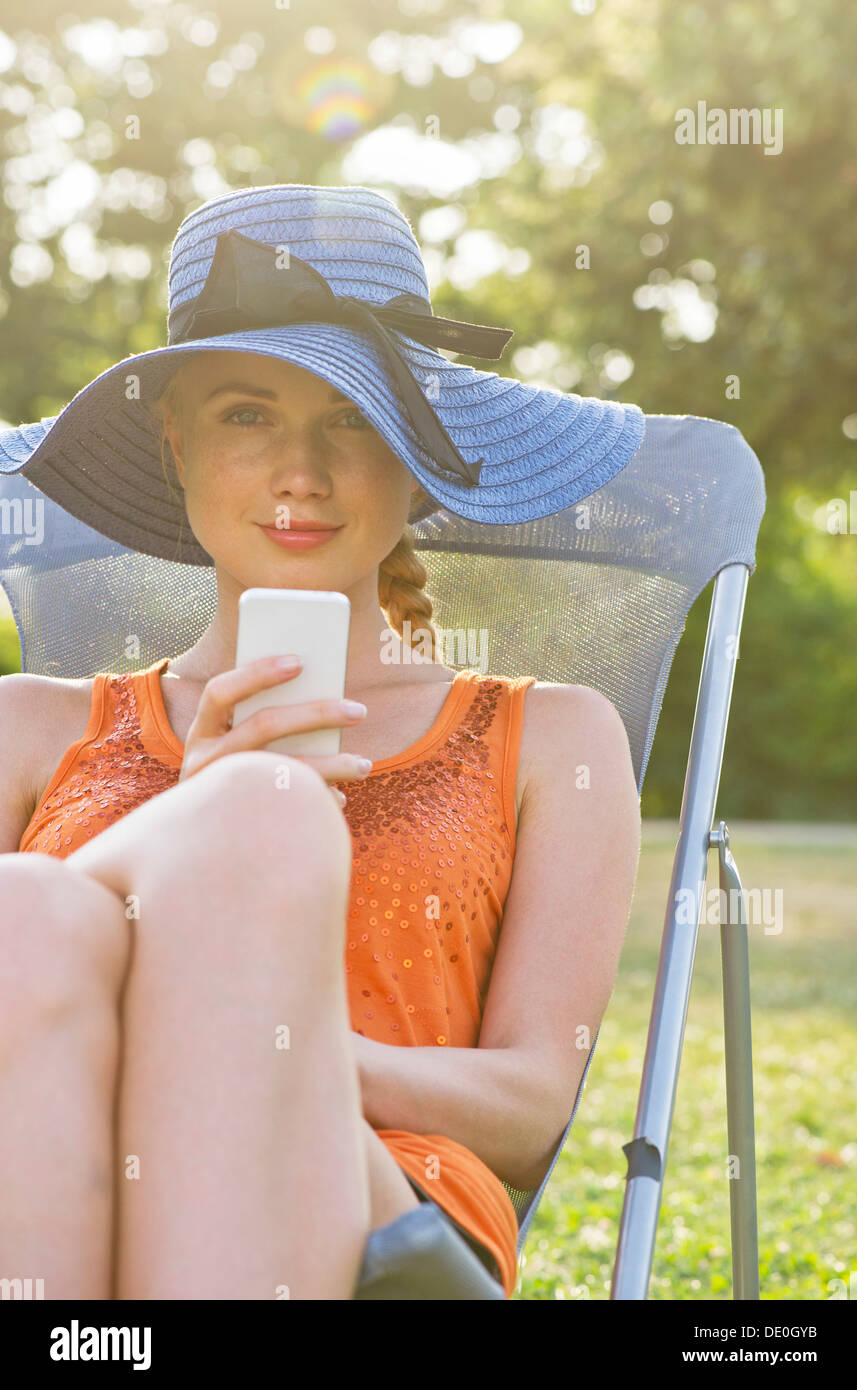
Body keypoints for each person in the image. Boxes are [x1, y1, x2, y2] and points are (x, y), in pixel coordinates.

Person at [0, 183, 643, 1300]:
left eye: (354, 416)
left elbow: (533, 1112)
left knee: (261, 811)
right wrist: (183, 845)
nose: (304, 472)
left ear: (415, 451)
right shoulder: (26, 725)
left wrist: (252, 1035)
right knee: (32, 907)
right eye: (247, 413)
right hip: (61, 1192)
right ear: (176, 443)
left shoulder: (550, 739)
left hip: (384, 1218)